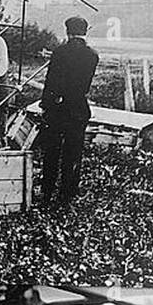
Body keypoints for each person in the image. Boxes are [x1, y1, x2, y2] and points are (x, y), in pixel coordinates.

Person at [38, 15, 100, 207]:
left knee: (52, 152)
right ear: (85, 31)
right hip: (78, 109)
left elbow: (51, 82)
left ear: (67, 31)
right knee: (73, 153)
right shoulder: (92, 55)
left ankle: (47, 192)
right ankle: (67, 195)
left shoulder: (60, 52)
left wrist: (46, 104)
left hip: (57, 109)